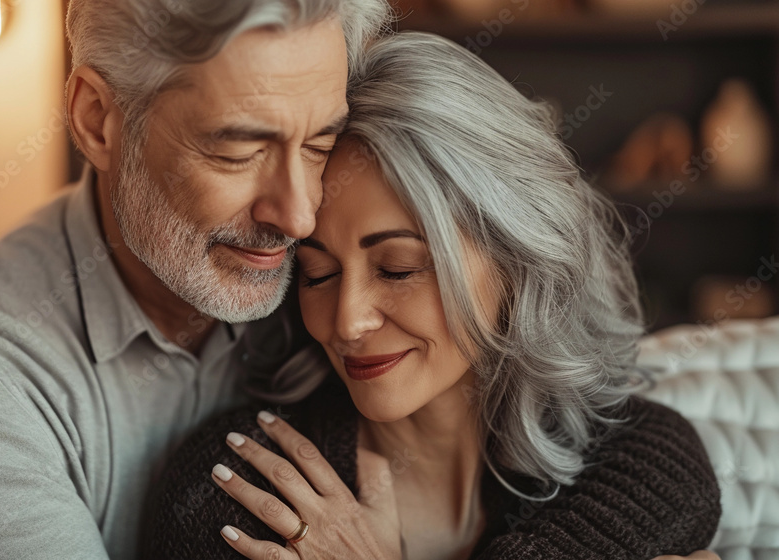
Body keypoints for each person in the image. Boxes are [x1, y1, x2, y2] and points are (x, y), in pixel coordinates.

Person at [145, 32, 722, 560]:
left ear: (514, 257)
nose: (347, 322)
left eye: (398, 269)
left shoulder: (640, 465)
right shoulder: (238, 491)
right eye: (317, 275)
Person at [0, 1, 395, 558]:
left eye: (319, 146)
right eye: (238, 151)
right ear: (98, 120)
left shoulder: (339, 288)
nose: (298, 217)